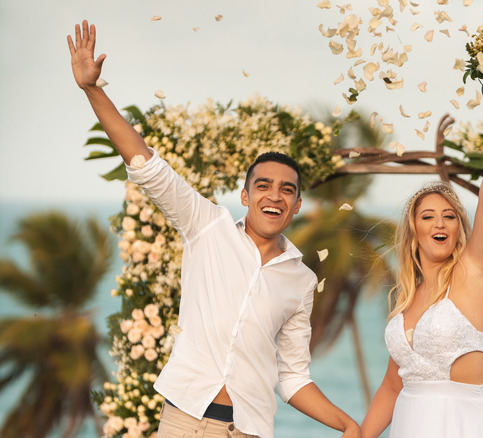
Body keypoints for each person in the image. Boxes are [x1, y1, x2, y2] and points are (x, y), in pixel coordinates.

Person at [67, 20, 360, 438]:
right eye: (263, 186)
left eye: (286, 190)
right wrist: (92, 90)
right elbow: (148, 166)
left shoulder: (301, 281)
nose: (274, 196)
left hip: (247, 430)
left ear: (297, 205)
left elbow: (292, 378)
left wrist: (347, 423)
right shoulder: (207, 227)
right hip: (182, 422)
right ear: (245, 196)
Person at [360, 81, 483, 437]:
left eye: (449, 216)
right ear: (414, 231)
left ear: (458, 229)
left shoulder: (473, 276)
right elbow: (392, 387)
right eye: (428, 216)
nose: (439, 222)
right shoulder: (405, 300)